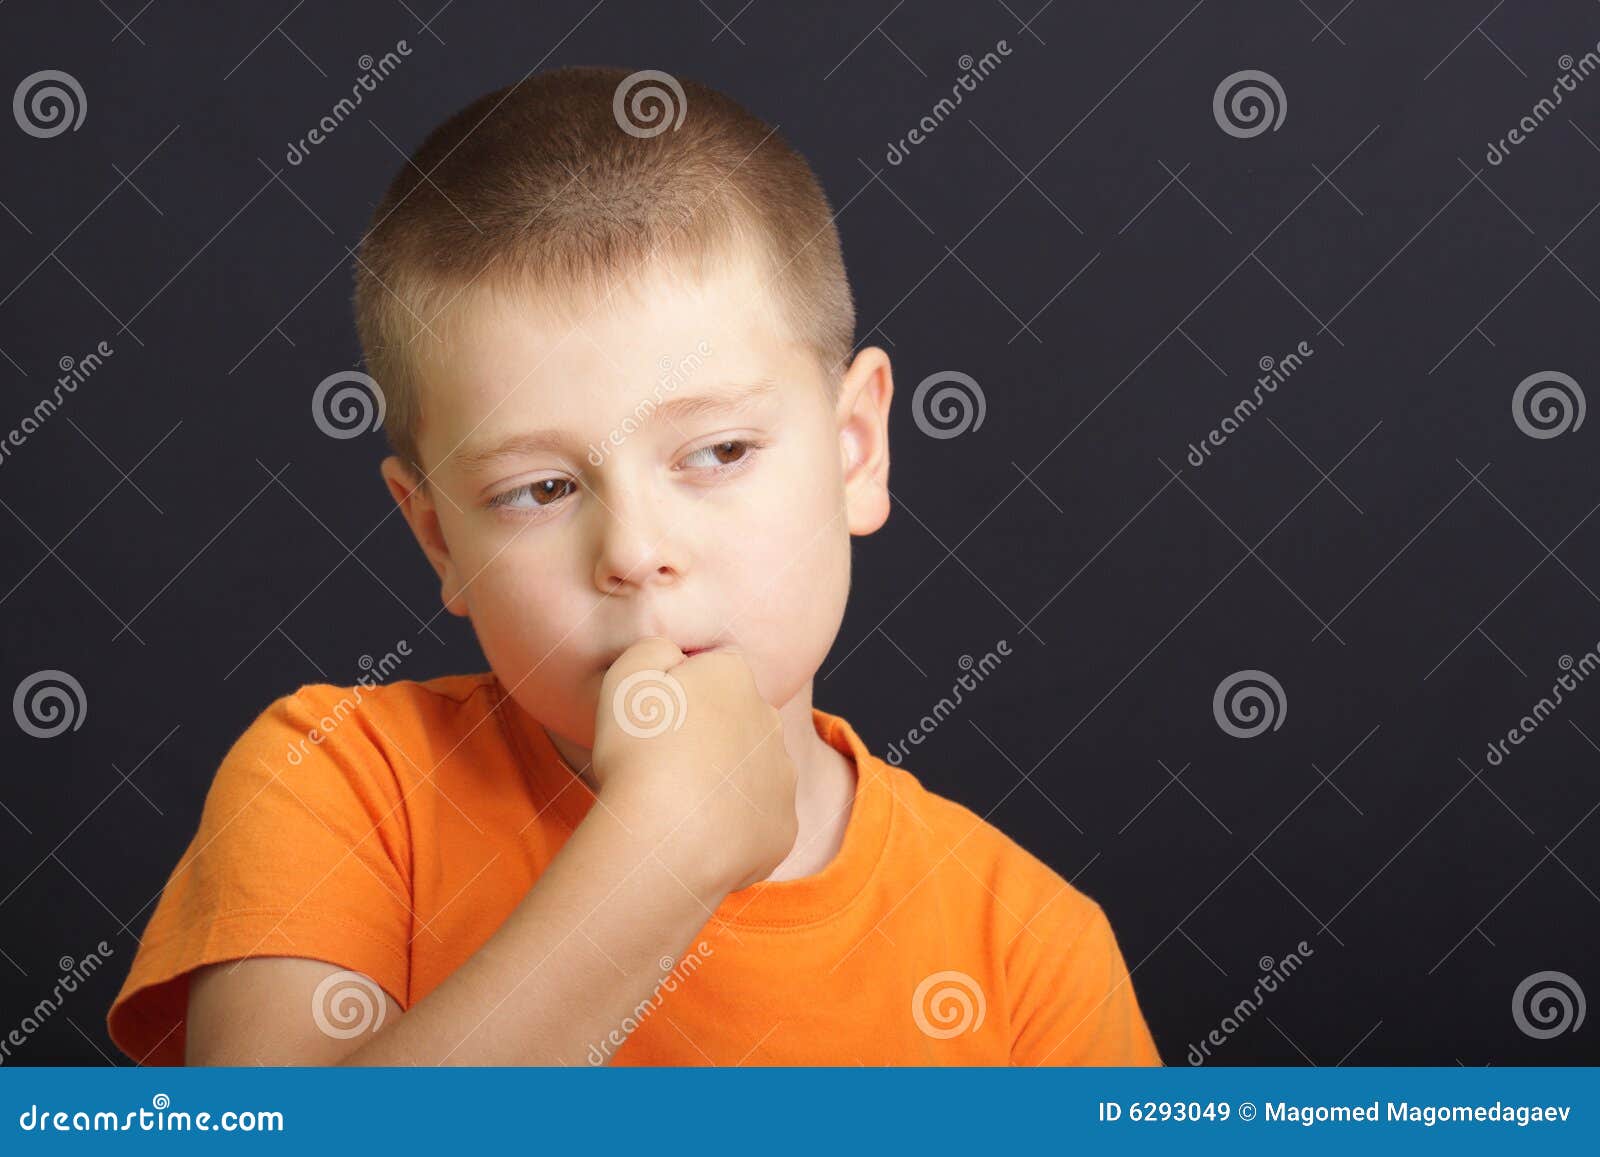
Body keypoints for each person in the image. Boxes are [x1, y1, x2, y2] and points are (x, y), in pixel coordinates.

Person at [105, 66, 1162, 1066]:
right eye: (540, 489)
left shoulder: (1029, 951)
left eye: (718, 452)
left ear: (855, 451)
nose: (634, 553)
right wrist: (659, 857)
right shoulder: (340, 782)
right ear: (438, 539)